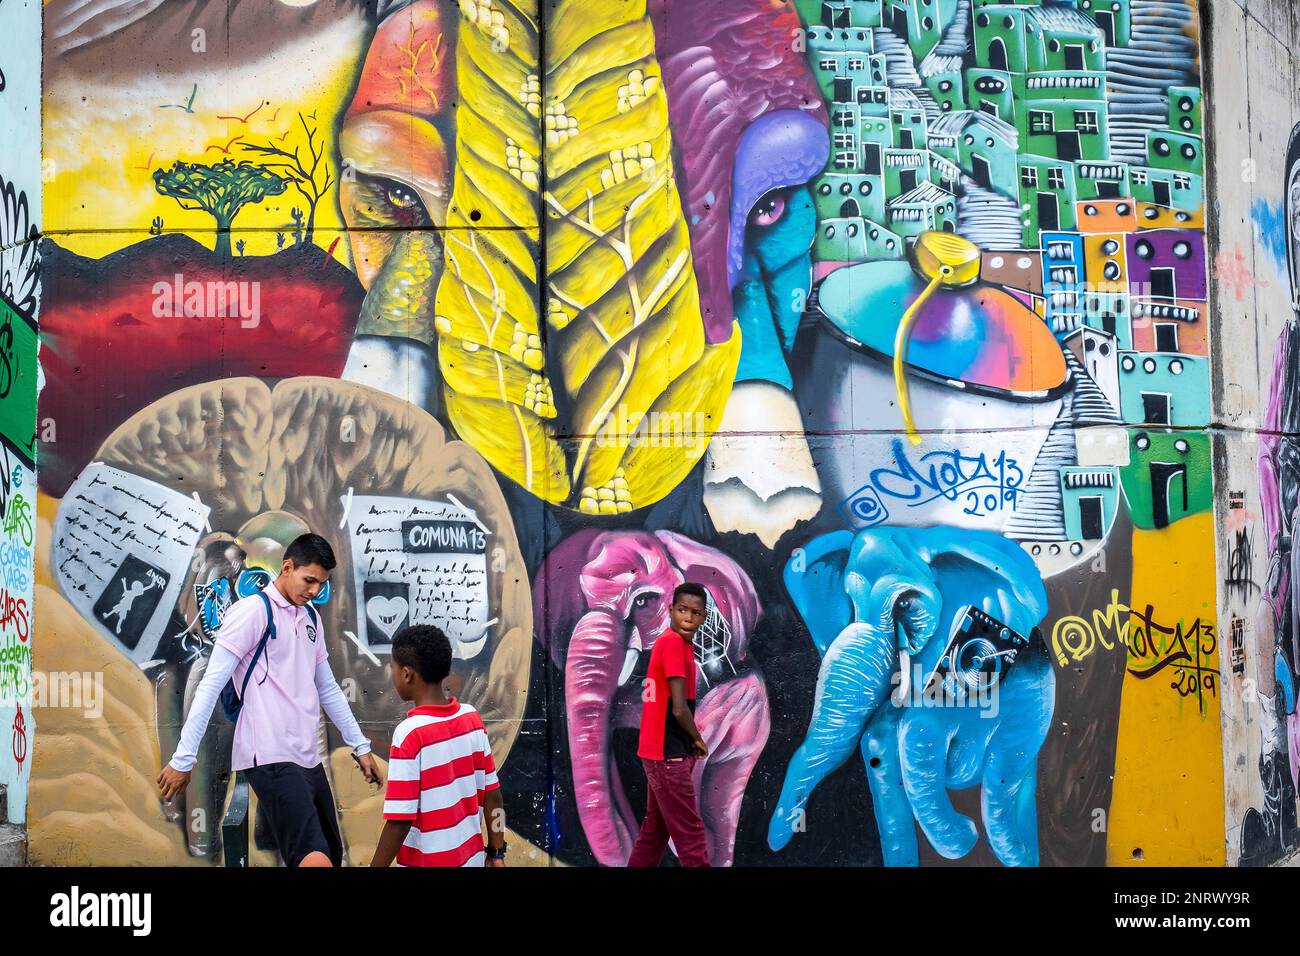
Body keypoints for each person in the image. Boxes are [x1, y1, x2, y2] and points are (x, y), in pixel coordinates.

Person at [157, 533, 380, 867]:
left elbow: (328, 688)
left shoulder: (311, 619)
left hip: (307, 757)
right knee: (313, 857)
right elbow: (210, 684)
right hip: (270, 755)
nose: (315, 591)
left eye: (321, 584)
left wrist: (360, 746)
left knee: (330, 855)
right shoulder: (251, 612)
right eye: (309, 580)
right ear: (287, 567)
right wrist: (184, 759)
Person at [370, 624, 507, 867]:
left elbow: (400, 820)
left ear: (406, 674)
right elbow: (493, 796)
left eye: (392, 667)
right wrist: (497, 853)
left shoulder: (410, 734)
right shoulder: (472, 719)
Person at [628, 582, 711, 867]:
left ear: (704, 617)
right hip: (668, 755)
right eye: (682, 610)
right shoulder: (674, 643)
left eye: (696, 613)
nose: (688, 618)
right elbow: (678, 708)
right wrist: (697, 740)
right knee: (691, 834)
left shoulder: (677, 643)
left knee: (655, 833)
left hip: (659, 754)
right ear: (671, 610)